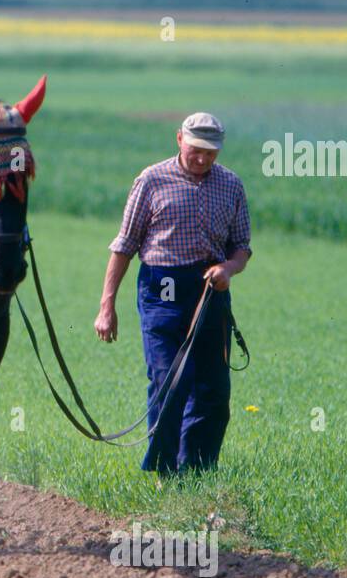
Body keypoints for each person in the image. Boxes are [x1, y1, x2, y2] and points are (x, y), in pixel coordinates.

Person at [93, 112, 251, 478]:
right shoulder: (151, 180)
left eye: (211, 153)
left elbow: (242, 246)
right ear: (179, 139)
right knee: (171, 382)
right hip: (161, 291)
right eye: (196, 150)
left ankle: (195, 472)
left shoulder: (231, 185)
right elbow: (124, 245)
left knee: (213, 391)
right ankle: (164, 472)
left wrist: (229, 268)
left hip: (211, 291)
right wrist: (107, 306)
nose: (202, 159)